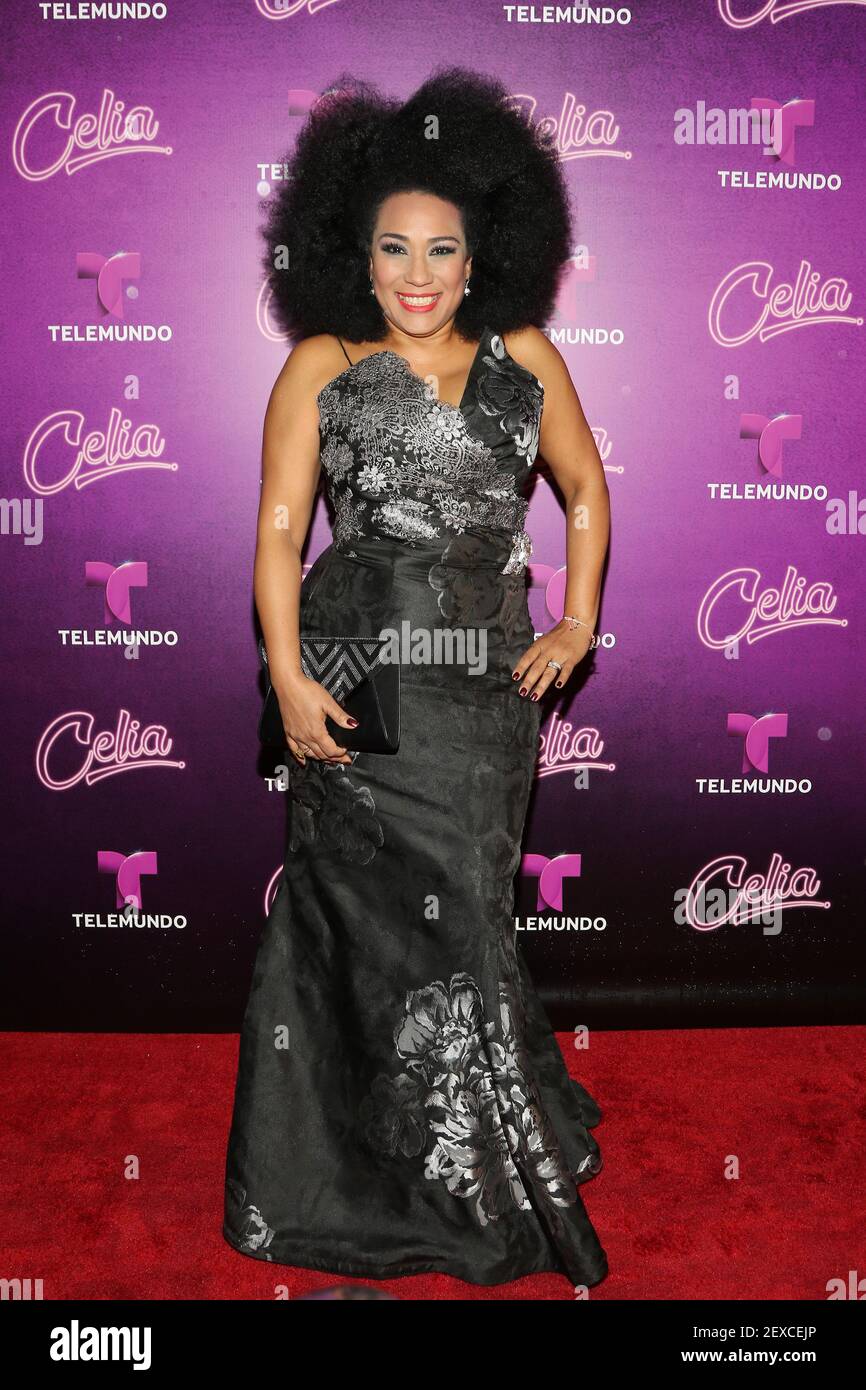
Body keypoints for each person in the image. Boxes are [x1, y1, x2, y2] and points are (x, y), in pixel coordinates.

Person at [223, 66, 612, 1289]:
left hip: (481, 687)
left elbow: (587, 493)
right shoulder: (320, 366)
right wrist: (286, 677)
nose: (416, 275)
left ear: (482, 252)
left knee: (471, 915)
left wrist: (577, 619)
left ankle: (481, 1141)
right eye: (392, 247)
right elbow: (282, 534)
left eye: (441, 249)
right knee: (346, 922)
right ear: (352, 250)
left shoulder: (525, 355)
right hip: (350, 666)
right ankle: (333, 1170)